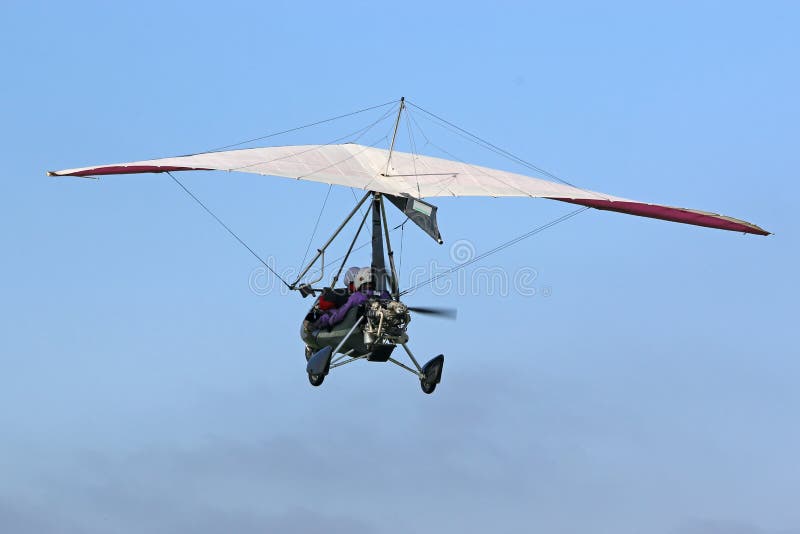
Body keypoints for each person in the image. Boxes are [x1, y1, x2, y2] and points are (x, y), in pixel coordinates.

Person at [312, 267, 381, 330]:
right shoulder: (381, 294)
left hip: (356, 323)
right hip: (375, 323)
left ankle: (316, 325)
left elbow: (340, 313)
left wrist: (330, 322)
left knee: (330, 313)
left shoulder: (356, 296)